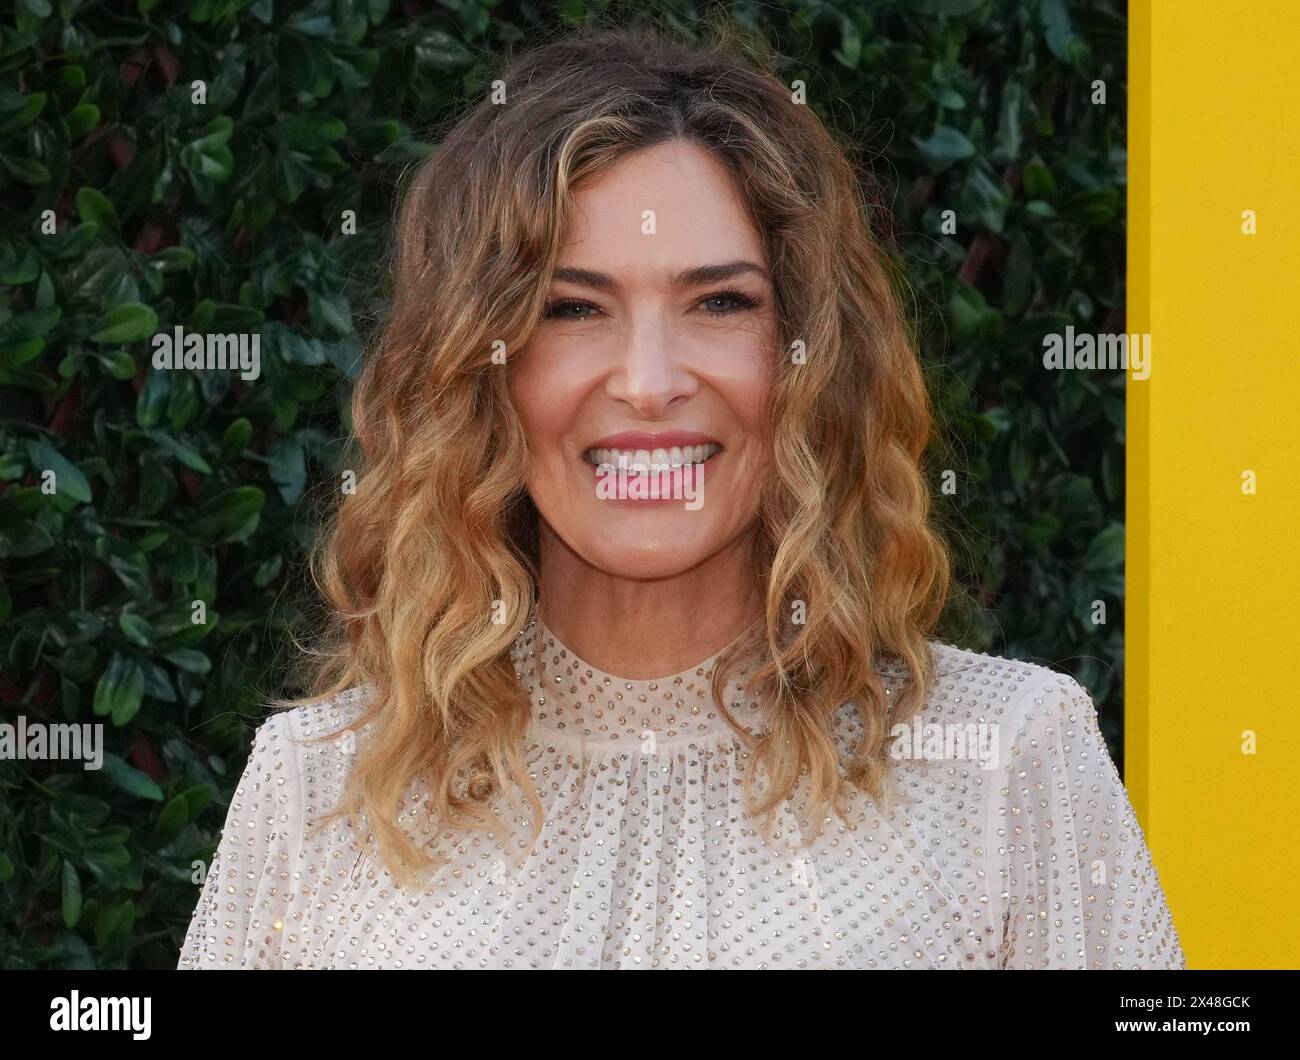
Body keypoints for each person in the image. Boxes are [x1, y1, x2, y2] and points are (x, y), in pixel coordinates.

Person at [178, 25, 1184, 970]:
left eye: (719, 303)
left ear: (810, 360)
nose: (648, 381)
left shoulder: (1006, 761)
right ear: (480, 369)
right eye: (572, 308)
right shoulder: (320, 787)